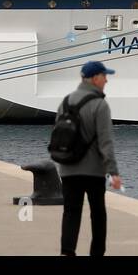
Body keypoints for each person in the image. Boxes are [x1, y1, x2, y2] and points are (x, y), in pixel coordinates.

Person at [54, 61, 122, 257]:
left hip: (68, 169)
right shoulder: (100, 105)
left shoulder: (65, 102)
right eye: (104, 76)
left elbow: (58, 135)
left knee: (71, 212)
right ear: (94, 78)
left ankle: (67, 252)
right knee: (98, 214)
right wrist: (113, 172)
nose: (106, 80)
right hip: (93, 171)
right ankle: (97, 252)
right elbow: (106, 143)